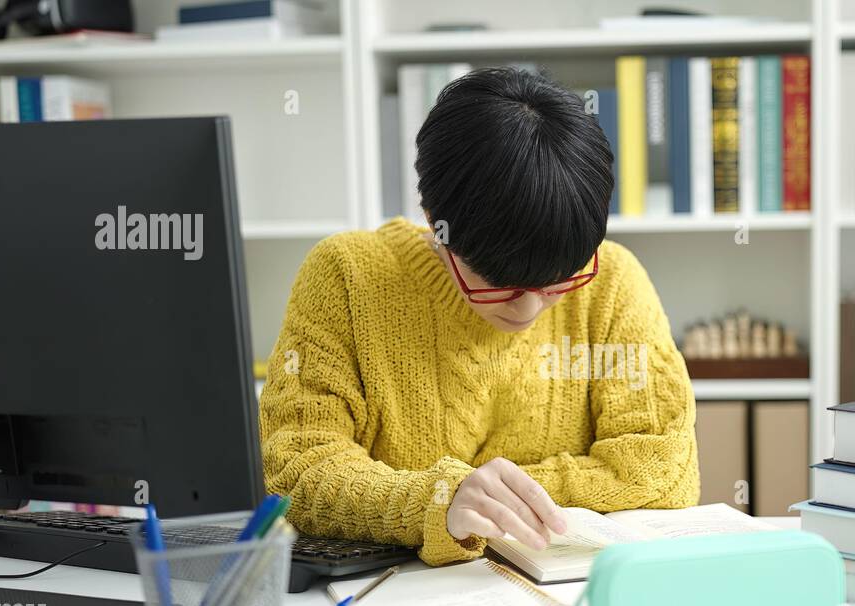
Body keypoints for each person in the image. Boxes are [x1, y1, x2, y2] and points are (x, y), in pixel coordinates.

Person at [259, 67, 699, 566]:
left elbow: (664, 474)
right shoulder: (346, 277)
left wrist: (484, 500)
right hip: (398, 604)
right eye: (500, 285)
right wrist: (439, 500)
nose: (529, 308)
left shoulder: (614, 282)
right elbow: (298, 471)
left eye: (559, 281)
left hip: (574, 602)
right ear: (434, 220)